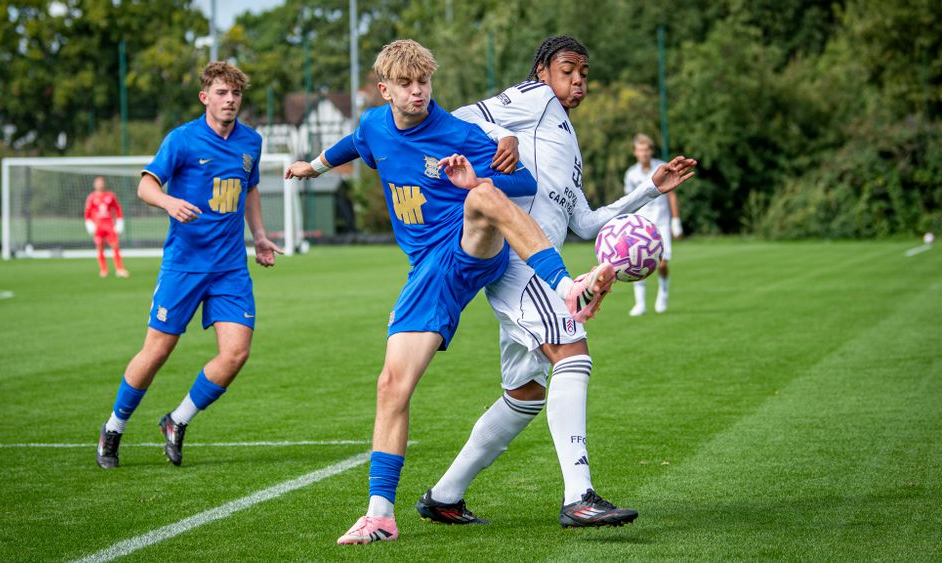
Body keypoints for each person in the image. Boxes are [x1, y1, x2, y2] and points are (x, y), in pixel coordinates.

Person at [284, 39, 612, 545]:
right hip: (429, 274)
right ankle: (380, 516)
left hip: (472, 248)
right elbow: (353, 143)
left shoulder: (460, 133)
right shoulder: (375, 125)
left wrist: (482, 174)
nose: (418, 93)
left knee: (482, 195)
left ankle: (566, 285)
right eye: (408, 85)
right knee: (392, 385)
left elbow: (521, 187)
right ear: (385, 89)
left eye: (425, 83)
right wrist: (314, 167)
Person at [413, 36, 697, 528]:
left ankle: (444, 495)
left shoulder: (566, 138)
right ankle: (579, 496)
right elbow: (457, 116)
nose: (578, 80)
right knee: (573, 352)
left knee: (525, 395)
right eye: (569, 69)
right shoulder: (535, 98)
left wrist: (650, 189)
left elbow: (585, 224)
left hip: (535, 265)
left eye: (585, 73)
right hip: (522, 264)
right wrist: (505, 139)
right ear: (542, 70)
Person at [96, 61, 282, 469]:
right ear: (205, 97)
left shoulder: (251, 141)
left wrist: (261, 236)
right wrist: (168, 202)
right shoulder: (181, 140)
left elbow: (249, 192)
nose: (230, 99)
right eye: (221, 92)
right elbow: (146, 184)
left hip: (230, 268)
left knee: (236, 354)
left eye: (235, 93)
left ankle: (177, 420)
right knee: (158, 351)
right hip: (184, 265)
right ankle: (114, 427)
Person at [624, 133, 683, 316]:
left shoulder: (661, 168)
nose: (644, 153)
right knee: (635, 262)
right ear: (635, 152)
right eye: (641, 150)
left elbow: (672, 195)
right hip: (640, 225)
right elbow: (629, 200)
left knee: (663, 263)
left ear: (651, 151)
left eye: (647, 149)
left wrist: (676, 221)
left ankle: (663, 292)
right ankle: (640, 303)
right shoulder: (631, 174)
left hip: (661, 222)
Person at [84, 176, 129, 278]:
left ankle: (119, 269)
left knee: (115, 246)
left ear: (104, 184)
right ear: (94, 184)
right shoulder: (91, 197)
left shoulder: (110, 196)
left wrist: (119, 222)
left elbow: (118, 209)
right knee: (99, 247)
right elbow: (87, 213)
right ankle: (103, 270)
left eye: (101, 182)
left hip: (109, 225)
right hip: (98, 226)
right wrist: (89, 224)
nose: (100, 184)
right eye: (98, 182)